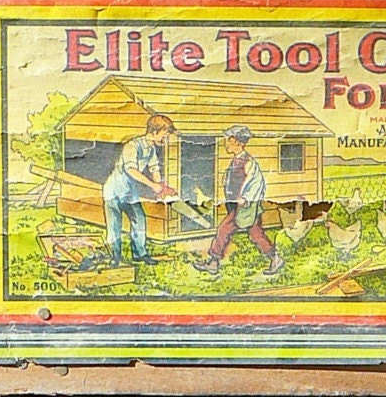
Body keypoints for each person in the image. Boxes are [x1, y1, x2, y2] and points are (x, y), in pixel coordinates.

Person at [192, 125, 284, 276]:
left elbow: (257, 183)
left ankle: (214, 262)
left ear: (239, 143)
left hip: (245, 207)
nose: (226, 144)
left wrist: (246, 198)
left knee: (224, 230)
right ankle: (275, 258)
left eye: (230, 140)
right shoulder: (236, 160)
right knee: (256, 234)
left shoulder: (249, 163)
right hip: (236, 206)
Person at [103, 112, 177, 267]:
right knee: (114, 225)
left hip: (130, 192)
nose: (165, 140)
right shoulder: (132, 146)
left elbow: (154, 168)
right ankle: (115, 256)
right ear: (154, 131)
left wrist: (161, 186)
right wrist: (153, 185)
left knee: (139, 220)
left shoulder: (151, 149)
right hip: (114, 191)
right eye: (163, 136)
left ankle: (140, 254)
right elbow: (131, 170)